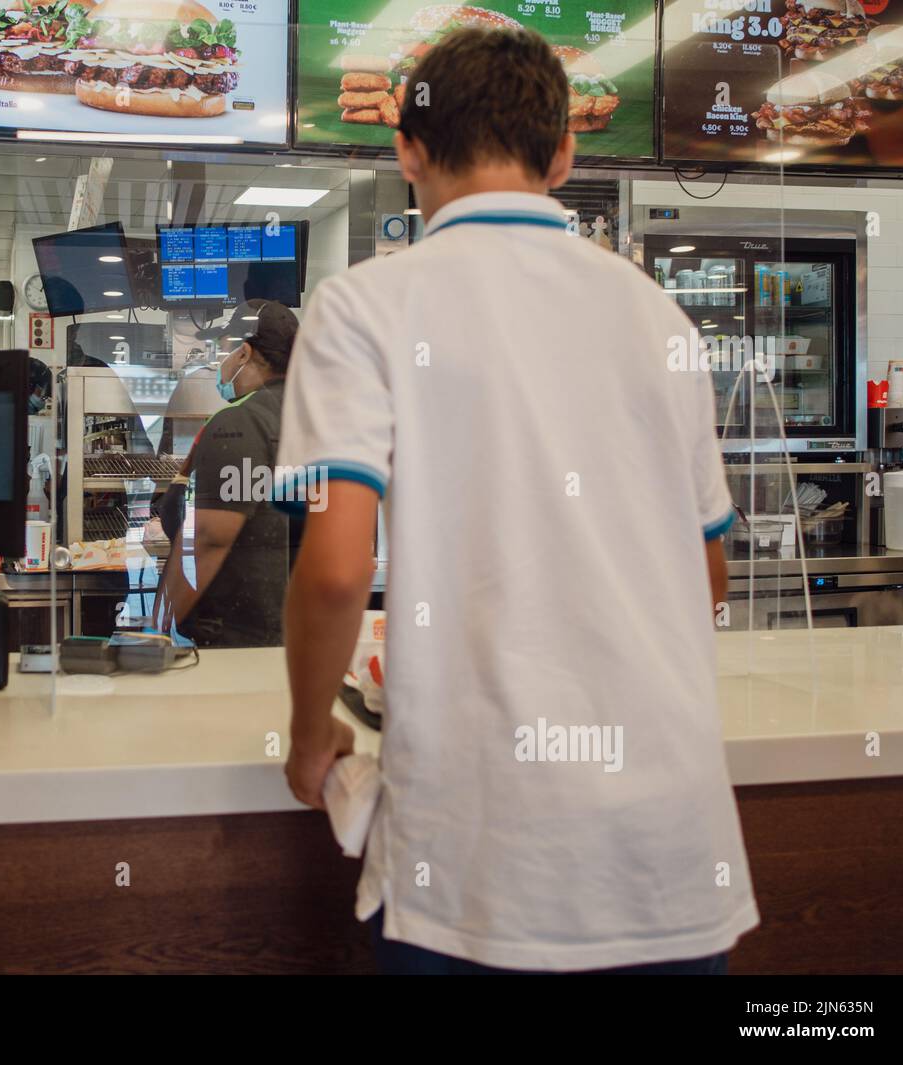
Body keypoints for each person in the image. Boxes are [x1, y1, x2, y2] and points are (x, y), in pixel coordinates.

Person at [276, 27, 757, 974]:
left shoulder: (364, 306)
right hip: (668, 851)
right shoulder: (659, 314)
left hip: (478, 861)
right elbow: (706, 575)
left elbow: (335, 571)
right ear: (566, 155)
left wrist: (306, 739)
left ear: (406, 146)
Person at [156, 299, 300, 647]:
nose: (219, 361)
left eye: (222, 349)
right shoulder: (317, 418)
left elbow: (209, 539)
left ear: (244, 353)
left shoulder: (241, 421)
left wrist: (155, 628)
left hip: (239, 637)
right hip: (299, 632)